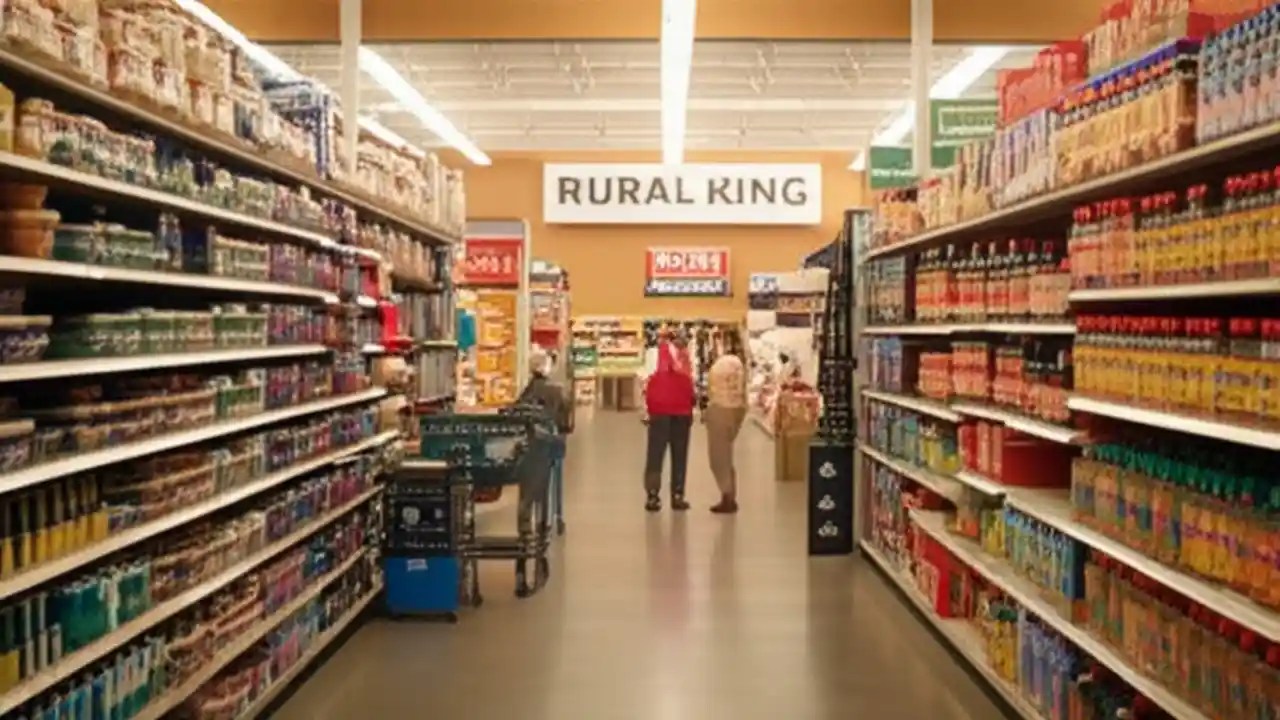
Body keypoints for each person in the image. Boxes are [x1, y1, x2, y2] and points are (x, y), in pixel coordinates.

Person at [641, 327, 696, 512]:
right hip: (681, 411)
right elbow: (691, 383)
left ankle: (653, 496)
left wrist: (646, 410)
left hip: (660, 410)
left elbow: (645, 380)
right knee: (679, 455)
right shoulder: (686, 357)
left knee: (655, 454)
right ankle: (677, 495)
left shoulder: (653, 354)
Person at [704, 330, 748, 513]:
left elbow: (713, 389)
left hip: (721, 409)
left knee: (718, 456)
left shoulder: (723, 364)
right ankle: (729, 494)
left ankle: (727, 496)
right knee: (726, 454)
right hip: (736, 409)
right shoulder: (739, 364)